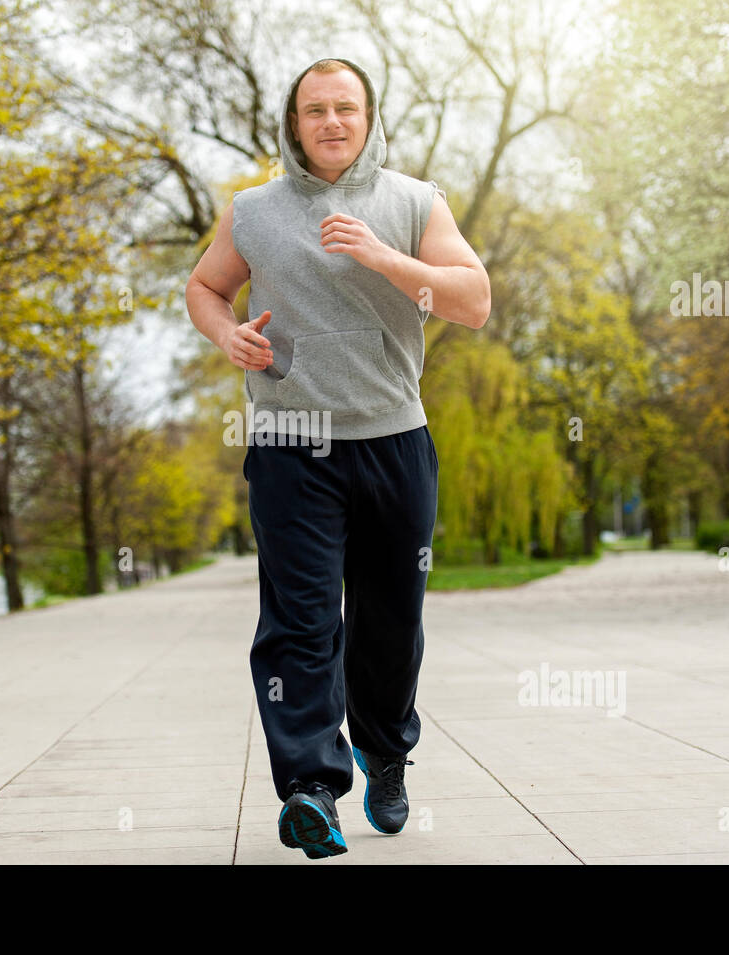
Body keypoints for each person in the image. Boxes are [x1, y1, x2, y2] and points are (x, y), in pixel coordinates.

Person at [185, 55, 490, 859]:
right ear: (294, 123)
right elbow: (205, 289)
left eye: (345, 108)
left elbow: (474, 300)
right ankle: (310, 788)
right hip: (291, 443)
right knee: (302, 619)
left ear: (368, 116)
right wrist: (228, 335)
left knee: (390, 623)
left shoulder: (414, 201)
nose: (330, 122)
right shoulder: (252, 212)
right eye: (314, 109)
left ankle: (385, 754)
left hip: (394, 439)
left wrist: (383, 256)